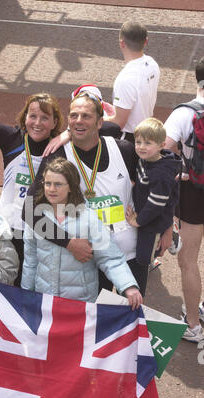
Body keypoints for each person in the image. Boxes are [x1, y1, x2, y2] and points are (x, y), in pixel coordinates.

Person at [0, 54, 95, 285]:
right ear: (25, 117)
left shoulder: (62, 147)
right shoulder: (12, 138)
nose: (37, 123)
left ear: (54, 122)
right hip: (6, 228)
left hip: (40, 232)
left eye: (44, 118)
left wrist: (69, 133)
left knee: (30, 284)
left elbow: (109, 129)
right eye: (32, 116)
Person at [25, 91, 151, 297]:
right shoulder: (58, 156)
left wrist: (164, 228)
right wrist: (68, 242)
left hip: (132, 252)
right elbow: (29, 212)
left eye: (86, 116)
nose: (78, 121)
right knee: (96, 322)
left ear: (100, 122)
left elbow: (156, 183)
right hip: (89, 256)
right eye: (73, 116)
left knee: (129, 316)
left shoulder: (124, 149)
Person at [22, 157, 142, 308]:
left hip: (80, 304)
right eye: (48, 183)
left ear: (71, 187)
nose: (51, 189)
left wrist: (128, 286)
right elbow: (30, 261)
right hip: (45, 300)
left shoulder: (89, 219)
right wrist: (26, 294)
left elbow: (110, 258)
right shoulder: (37, 218)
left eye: (58, 184)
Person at [164, 56, 204, 343]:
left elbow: (164, 154)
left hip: (194, 195)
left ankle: (192, 324)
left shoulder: (183, 114)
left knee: (188, 260)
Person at [125, 117, 181, 266]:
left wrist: (139, 221)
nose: (141, 147)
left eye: (148, 143)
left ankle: (167, 235)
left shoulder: (161, 173)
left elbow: (156, 203)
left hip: (154, 219)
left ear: (162, 145)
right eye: (138, 142)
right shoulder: (146, 158)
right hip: (145, 211)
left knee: (144, 259)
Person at [104, 21, 160, 144]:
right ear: (145, 41)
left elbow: (119, 122)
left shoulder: (125, 79)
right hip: (147, 132)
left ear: (122, 43)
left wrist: (97, 119)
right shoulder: (152, 64)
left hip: (129, 140)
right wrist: (115, 109)